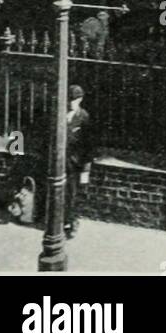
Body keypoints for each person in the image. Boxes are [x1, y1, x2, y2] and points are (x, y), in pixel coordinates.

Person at [64, 84, 93, 238]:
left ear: (80, 99)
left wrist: (86, 169)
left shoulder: (84, 116)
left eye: (74, 100)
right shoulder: (60, 114)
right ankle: (61, 222)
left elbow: (89, 145)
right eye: (69, 99)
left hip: (76, 163)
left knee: (73, 195)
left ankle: (72, 223)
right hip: (60, 162)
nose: (70, 103)